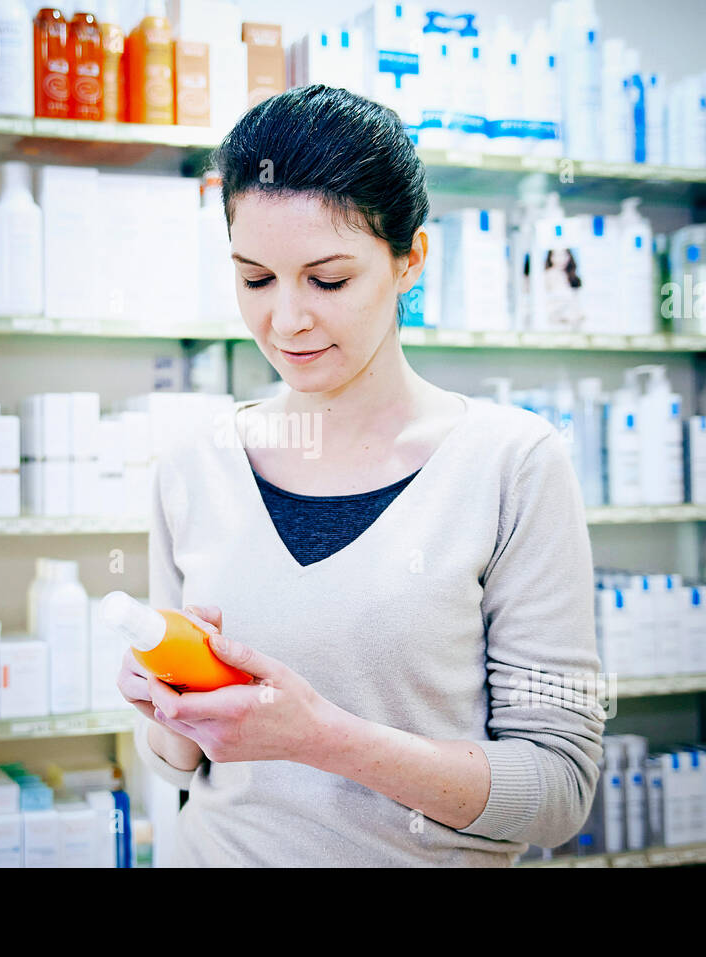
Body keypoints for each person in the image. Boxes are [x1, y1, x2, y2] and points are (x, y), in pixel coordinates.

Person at [117, 85, 605, 867]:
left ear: (411, 258)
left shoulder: (512, 464)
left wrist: (323, 739)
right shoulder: (192, 464)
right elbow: (174, 763)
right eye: (255, 278)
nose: (286, 319)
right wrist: (173, 715)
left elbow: (558, 791)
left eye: (328, 280)